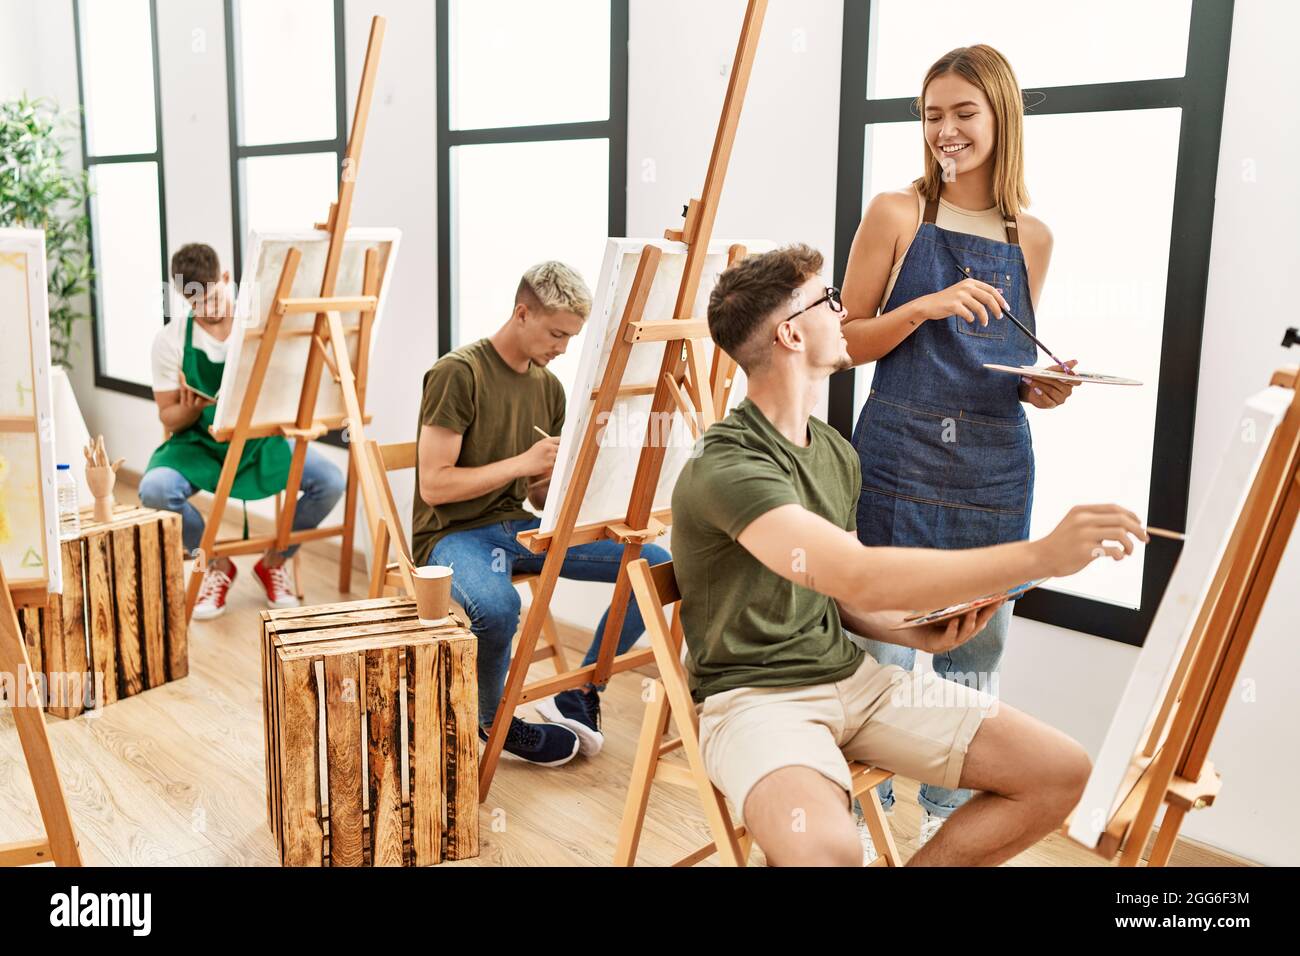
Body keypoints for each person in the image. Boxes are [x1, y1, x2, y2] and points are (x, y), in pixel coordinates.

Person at [670, 244, 1145, 865]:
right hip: (758, 701)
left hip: (854, 681)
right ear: (789, 333)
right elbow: (857, 573)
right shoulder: (727, 465)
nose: (845, 312)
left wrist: (911, 633)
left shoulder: (835, 452)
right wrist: (1041, 556)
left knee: (1060, 771)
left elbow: (841, 597)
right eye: (830, 300)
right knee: (828, 852)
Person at [839, 45, 1080, 840]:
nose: (945, 129)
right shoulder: (896, 214)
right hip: (900, 458)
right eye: (933, 114)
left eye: (963, 113)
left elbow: (1000, 361)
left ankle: (943, 828)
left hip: (993, 468)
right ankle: (858, 830)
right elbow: (844, 344)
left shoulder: (1032, 237)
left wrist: (1041, 387)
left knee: (976, 651)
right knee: (886, 656)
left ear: (1000, 117)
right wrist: (927, 304)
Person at [414, 261, 670, 767]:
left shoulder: (547, 388)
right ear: (522, 312)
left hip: (518, 528)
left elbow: (533, 498)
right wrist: (525, 462)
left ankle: (582, 691)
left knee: (653, 565)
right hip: (455, 534)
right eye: (556, 333)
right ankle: (492, 722)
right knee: (498, 607)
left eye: (571, 337)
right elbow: (435, 486)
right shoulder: (457, 374)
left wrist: (567, 480)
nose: (562, 348)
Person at [140, 243, 346, 620]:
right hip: (199, 443)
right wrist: (193, 407)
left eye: (213, 295)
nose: (208, 307)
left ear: (226, 278)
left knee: (331, 482)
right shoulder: (169, 341)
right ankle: (215, 564)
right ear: (184, 297)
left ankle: (274, 561)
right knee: (154, 489)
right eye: (196, 302)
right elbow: (168, 418)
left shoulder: (261, 327)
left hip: (260, 441)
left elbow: (292, 384)